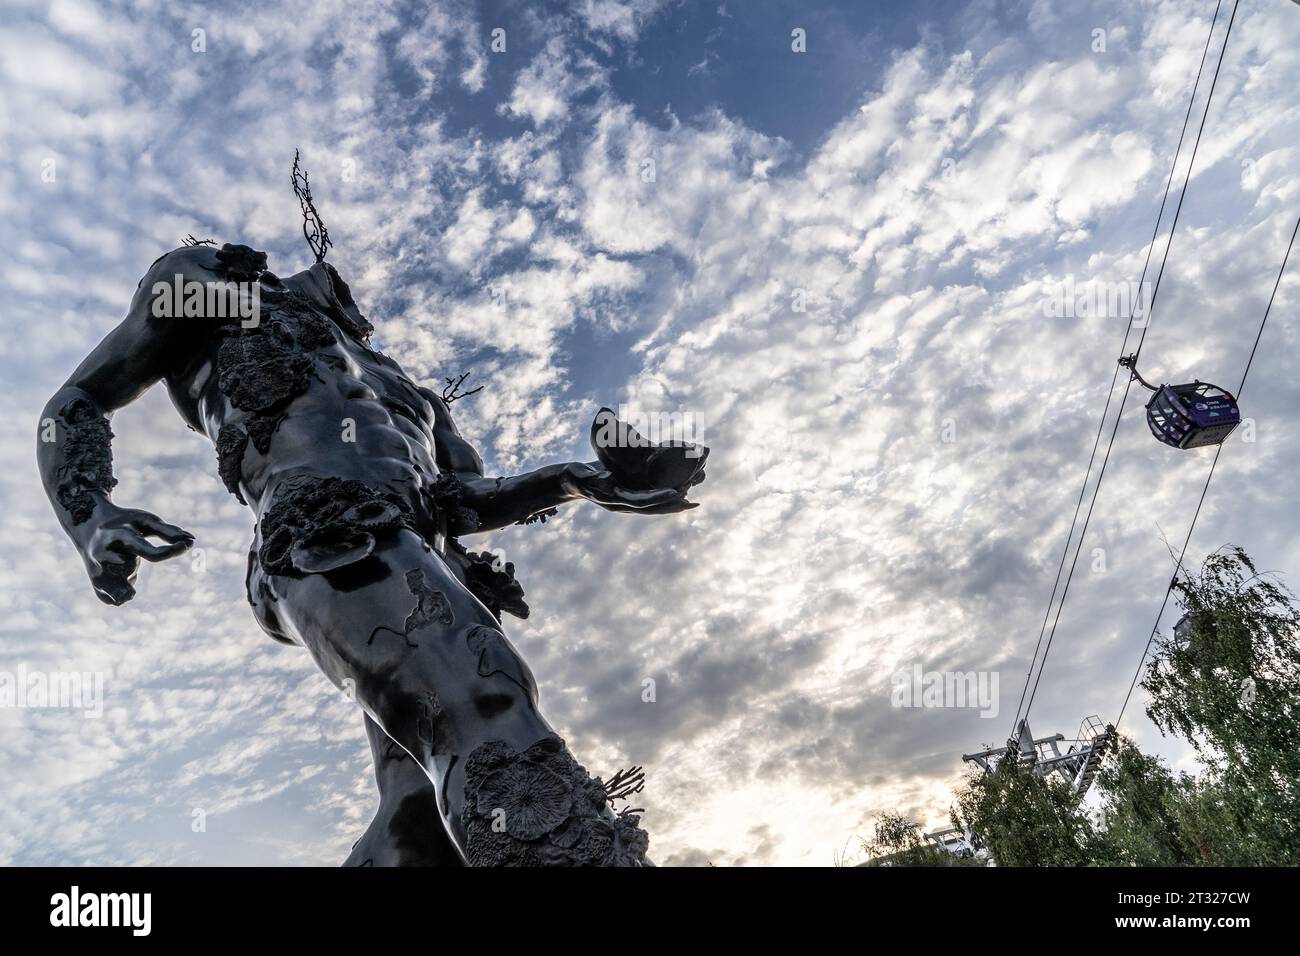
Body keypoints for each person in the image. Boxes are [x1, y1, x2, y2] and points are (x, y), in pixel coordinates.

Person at [37, 241, 705, 865]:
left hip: (419, 553)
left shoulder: (407, 392)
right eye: (343, 289)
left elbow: (458, 500)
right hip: (324, 534)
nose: (360, 313)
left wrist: (578, 480)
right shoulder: (213, 285)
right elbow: (76, 399)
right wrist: (88, 514)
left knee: (415, 819)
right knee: (486, 712)